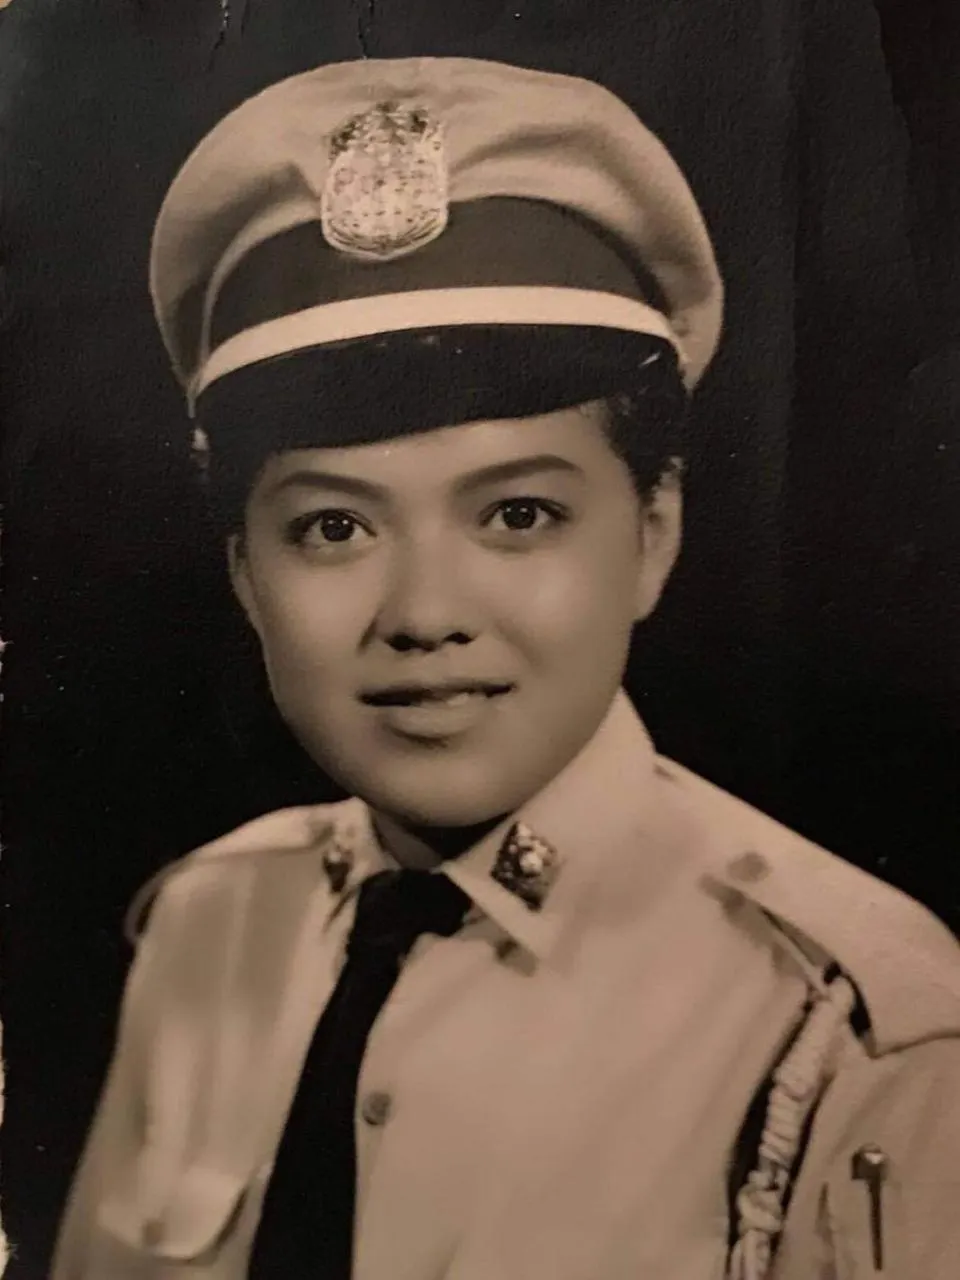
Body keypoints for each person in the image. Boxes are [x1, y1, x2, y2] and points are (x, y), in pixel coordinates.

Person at [52, 56, 960, 1280]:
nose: (426, 615)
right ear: (243, 576)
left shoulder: (860, 1033)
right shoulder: (207, 922)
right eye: (334, 525)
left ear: (653, 535)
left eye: (519, 514)